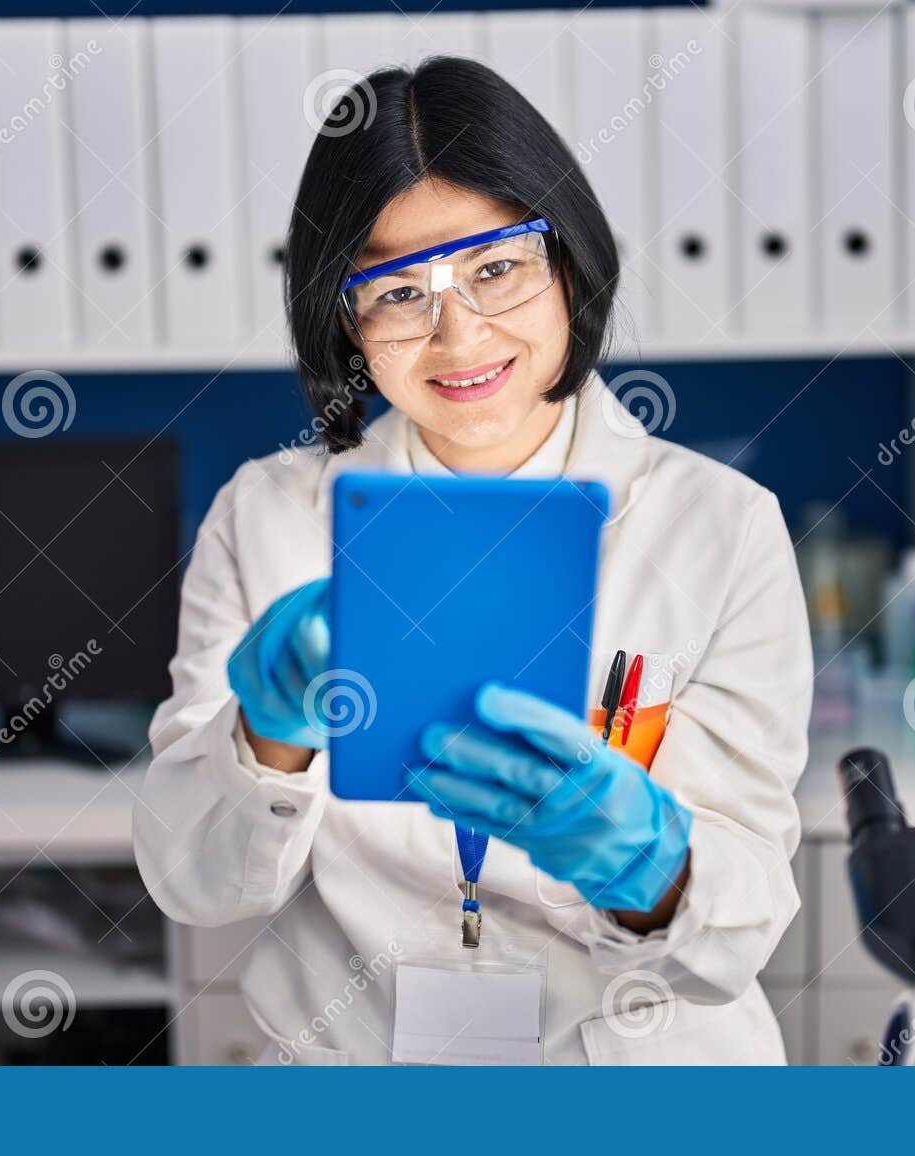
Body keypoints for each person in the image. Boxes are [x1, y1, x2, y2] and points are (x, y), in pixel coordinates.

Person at [133, 56, 813, 1064]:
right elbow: (192, 886)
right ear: (346, 324)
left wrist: (651, 866)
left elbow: (741, 925)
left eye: (496, 266)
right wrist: (264, 736)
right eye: (397, 290)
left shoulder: (719, 524)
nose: (459, 334)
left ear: (568, 258)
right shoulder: (269, 518)